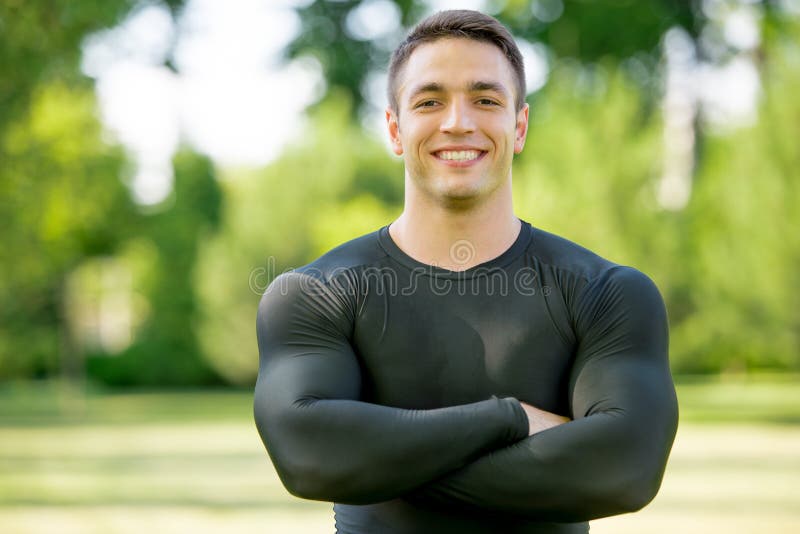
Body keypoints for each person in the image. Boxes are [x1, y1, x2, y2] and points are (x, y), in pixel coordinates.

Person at [254, 9, 678, 534]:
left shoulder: (608, 294)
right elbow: (309, 455)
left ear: (518, 126)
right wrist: (512, 419)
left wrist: (375, 466)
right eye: (430, 101)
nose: (458, 122)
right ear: (394, 128)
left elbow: (624, 470)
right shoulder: (315, 294)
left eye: (485, 100)